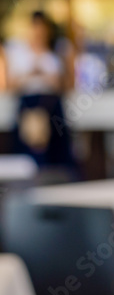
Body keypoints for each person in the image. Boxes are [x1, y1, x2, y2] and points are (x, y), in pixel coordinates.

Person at [4, 11, 76, 174]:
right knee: (31, 149)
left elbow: (66, 84)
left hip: (51, 105)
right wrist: (29, 75)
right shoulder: (18, 52)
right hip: (29, 105)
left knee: (55, 153)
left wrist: (49, 76)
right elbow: (11, 85)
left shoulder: (57, 50)